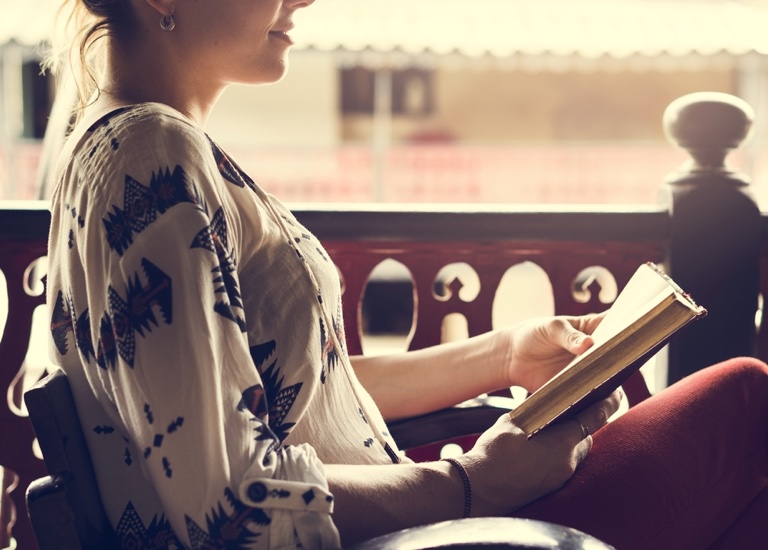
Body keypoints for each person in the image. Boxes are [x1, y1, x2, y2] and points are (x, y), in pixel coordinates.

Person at [43, 0, 768, 548]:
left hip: (420, 519)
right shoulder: (151, 155)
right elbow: (232, 503)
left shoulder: (129, 144)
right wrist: (471, 483)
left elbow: (293, 392)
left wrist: (502, 355)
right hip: (415, 534)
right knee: (745, 402)